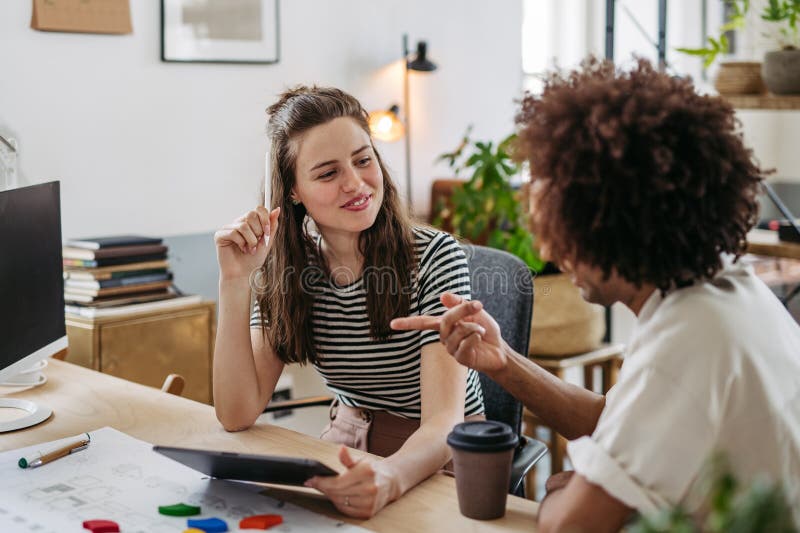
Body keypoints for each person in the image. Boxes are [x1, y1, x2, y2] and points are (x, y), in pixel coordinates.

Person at [392, 58, 800, 531]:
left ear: (616, 224)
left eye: (562, 227)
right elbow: (613, 420)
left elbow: (569, 525)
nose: (547, 248)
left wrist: (563, 490)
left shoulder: (688, 340)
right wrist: (503, 360)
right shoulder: (717, 288)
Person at [212, 86, 485, 518]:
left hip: (438, 458)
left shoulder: (436, 257)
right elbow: (236, 413)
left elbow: (442, 422)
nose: (355, 184)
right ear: (294, 192)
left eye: (363, 160)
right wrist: (234, 281)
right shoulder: (289, 268)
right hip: (347, 444)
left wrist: (389, 478)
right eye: (327, 173)